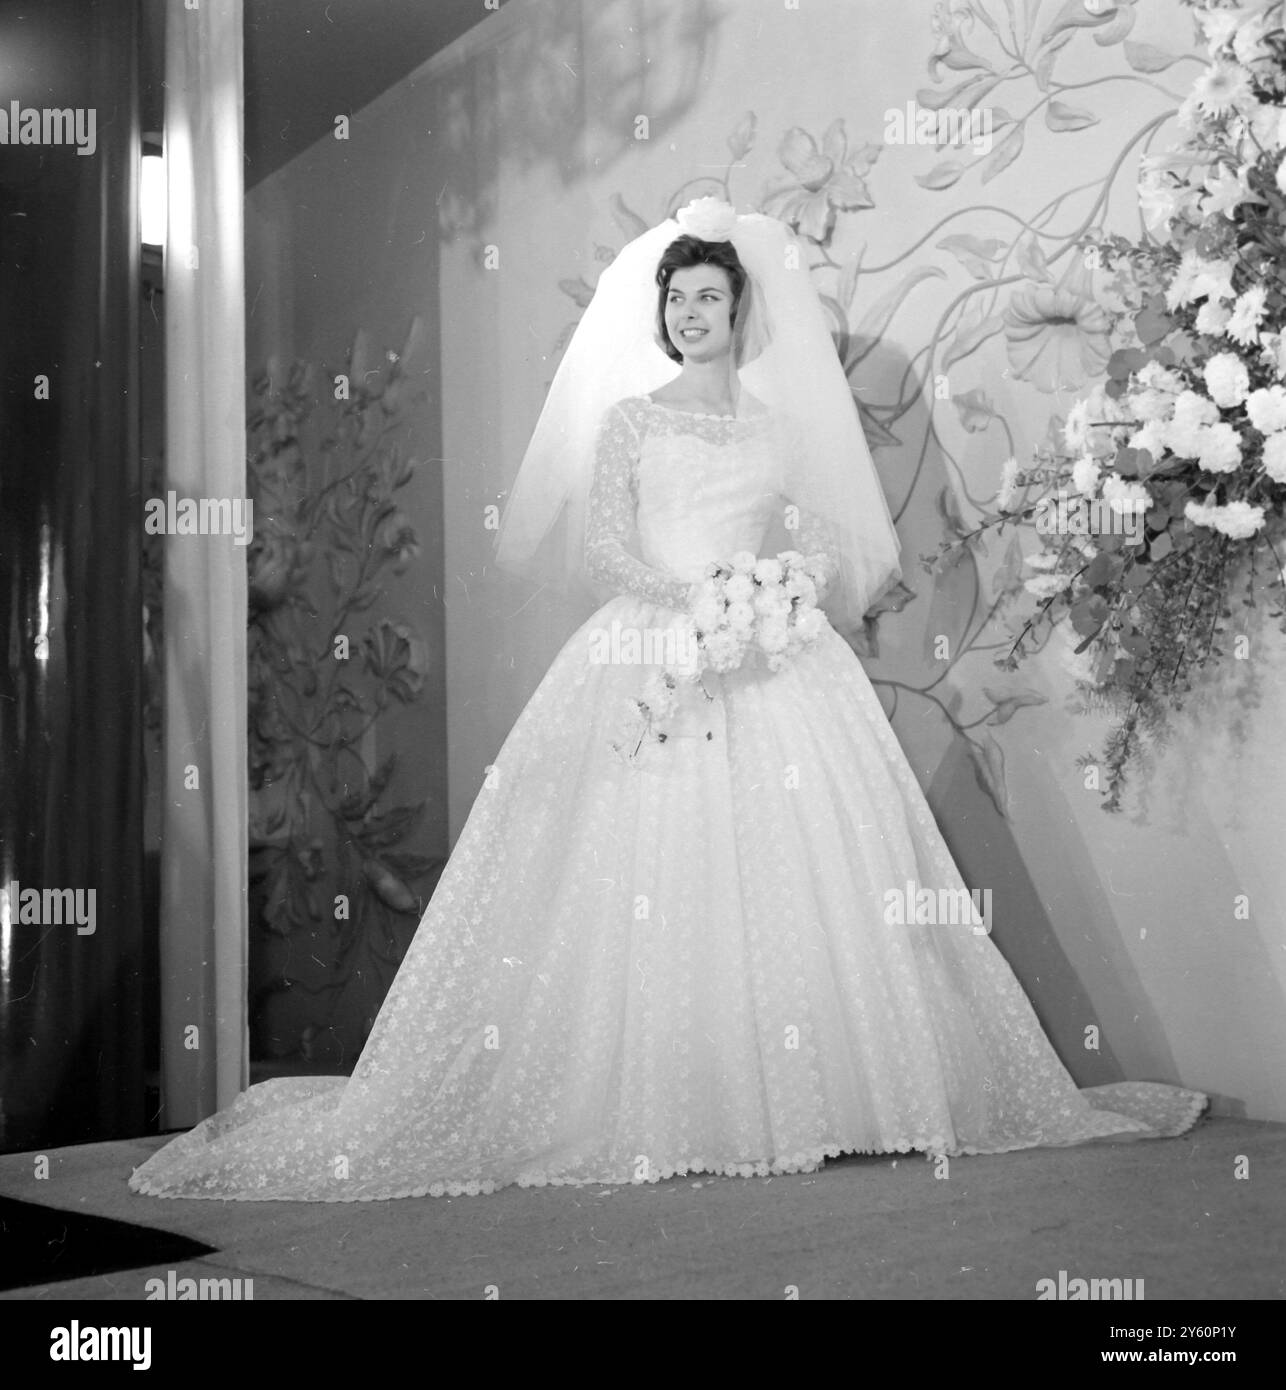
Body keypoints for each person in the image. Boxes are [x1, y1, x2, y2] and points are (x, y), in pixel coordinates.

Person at [129, 199, 1205, 1202]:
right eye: (676, 299)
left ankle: (831, 1093)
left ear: (742, 314)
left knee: (808, 868)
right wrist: (696, 597)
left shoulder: (779, 428)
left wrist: (782, 584)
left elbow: (832, 539)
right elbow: (602, 550)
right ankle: (664, 1102)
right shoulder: (633, 423)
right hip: (651, 648)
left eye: (708, 298)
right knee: (639, 865)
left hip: (775, 661)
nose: (690, 314)